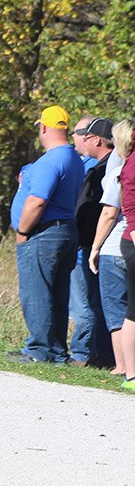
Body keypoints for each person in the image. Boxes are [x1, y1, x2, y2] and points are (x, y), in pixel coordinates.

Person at [8, 105, 83, 364]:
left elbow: (37, 201)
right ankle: (56, 351)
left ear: (43, 128)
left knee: (36, 292)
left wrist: (23, 231)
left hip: (44, 233)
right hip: (65, 230)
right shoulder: (73, 158)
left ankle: (39, 350)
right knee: (57, 292)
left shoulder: (51, 160)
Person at [70, 117, 115, 367]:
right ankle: (98, 352)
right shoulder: (103, 167)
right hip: (94, 243)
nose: (82, 142)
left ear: (97, 140)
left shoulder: (104, 170)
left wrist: (90, 243)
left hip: (96, 245)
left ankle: (99, 354)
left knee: (98, 303)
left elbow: (100, 211)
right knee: (101, 302)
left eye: (85, 137)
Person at [88, 134, 127, 376]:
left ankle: (122, 365)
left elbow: (108, 214)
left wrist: (95, 248)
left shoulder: (119, 174)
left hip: (114, 248)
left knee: (116, 311)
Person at [111, 118, 135, 390]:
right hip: (133, 242)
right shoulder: (129, 169)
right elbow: (133, 216)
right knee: (134, 311)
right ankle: (131, 375)